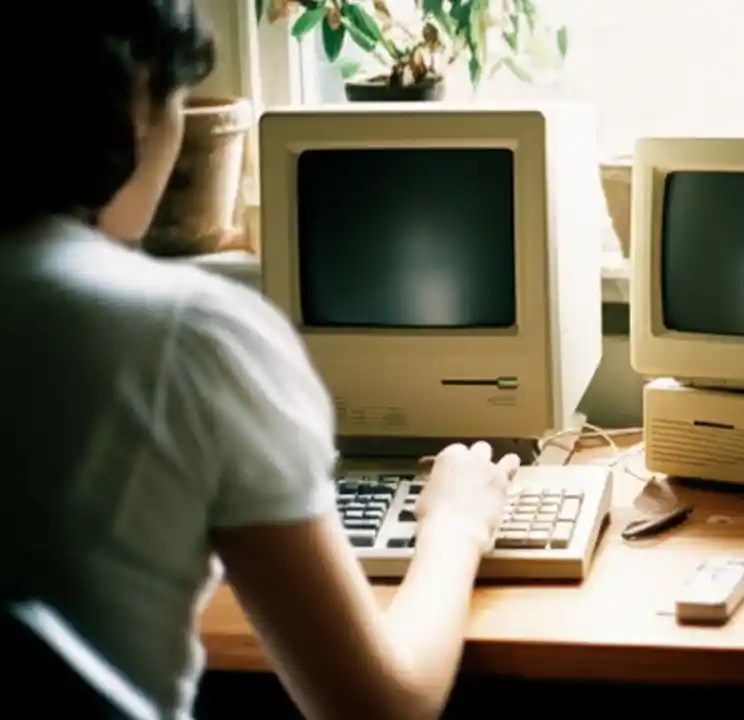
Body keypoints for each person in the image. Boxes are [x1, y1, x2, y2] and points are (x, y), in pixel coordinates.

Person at [0, 2, 519, 718]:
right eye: (179, 101)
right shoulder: (187, 336)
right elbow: (382, 708)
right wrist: (456, 525)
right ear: (138, 108)